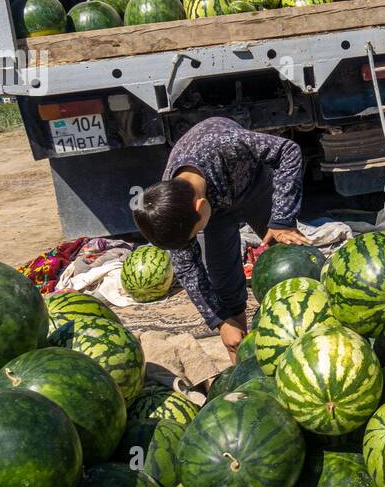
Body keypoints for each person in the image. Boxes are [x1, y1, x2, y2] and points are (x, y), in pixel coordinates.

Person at [132, 116, 311, 361]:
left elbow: (287, 150)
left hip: (253, 186)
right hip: (217, 215)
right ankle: (244, 357)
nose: (191, 243)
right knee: (224, 285)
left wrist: (283, 220)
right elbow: (187, 268)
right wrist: (220, 321)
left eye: (194, 235)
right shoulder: (175, 207)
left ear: (200, 207)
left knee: (289, 261)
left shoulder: (225, 144)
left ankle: (309, 333)